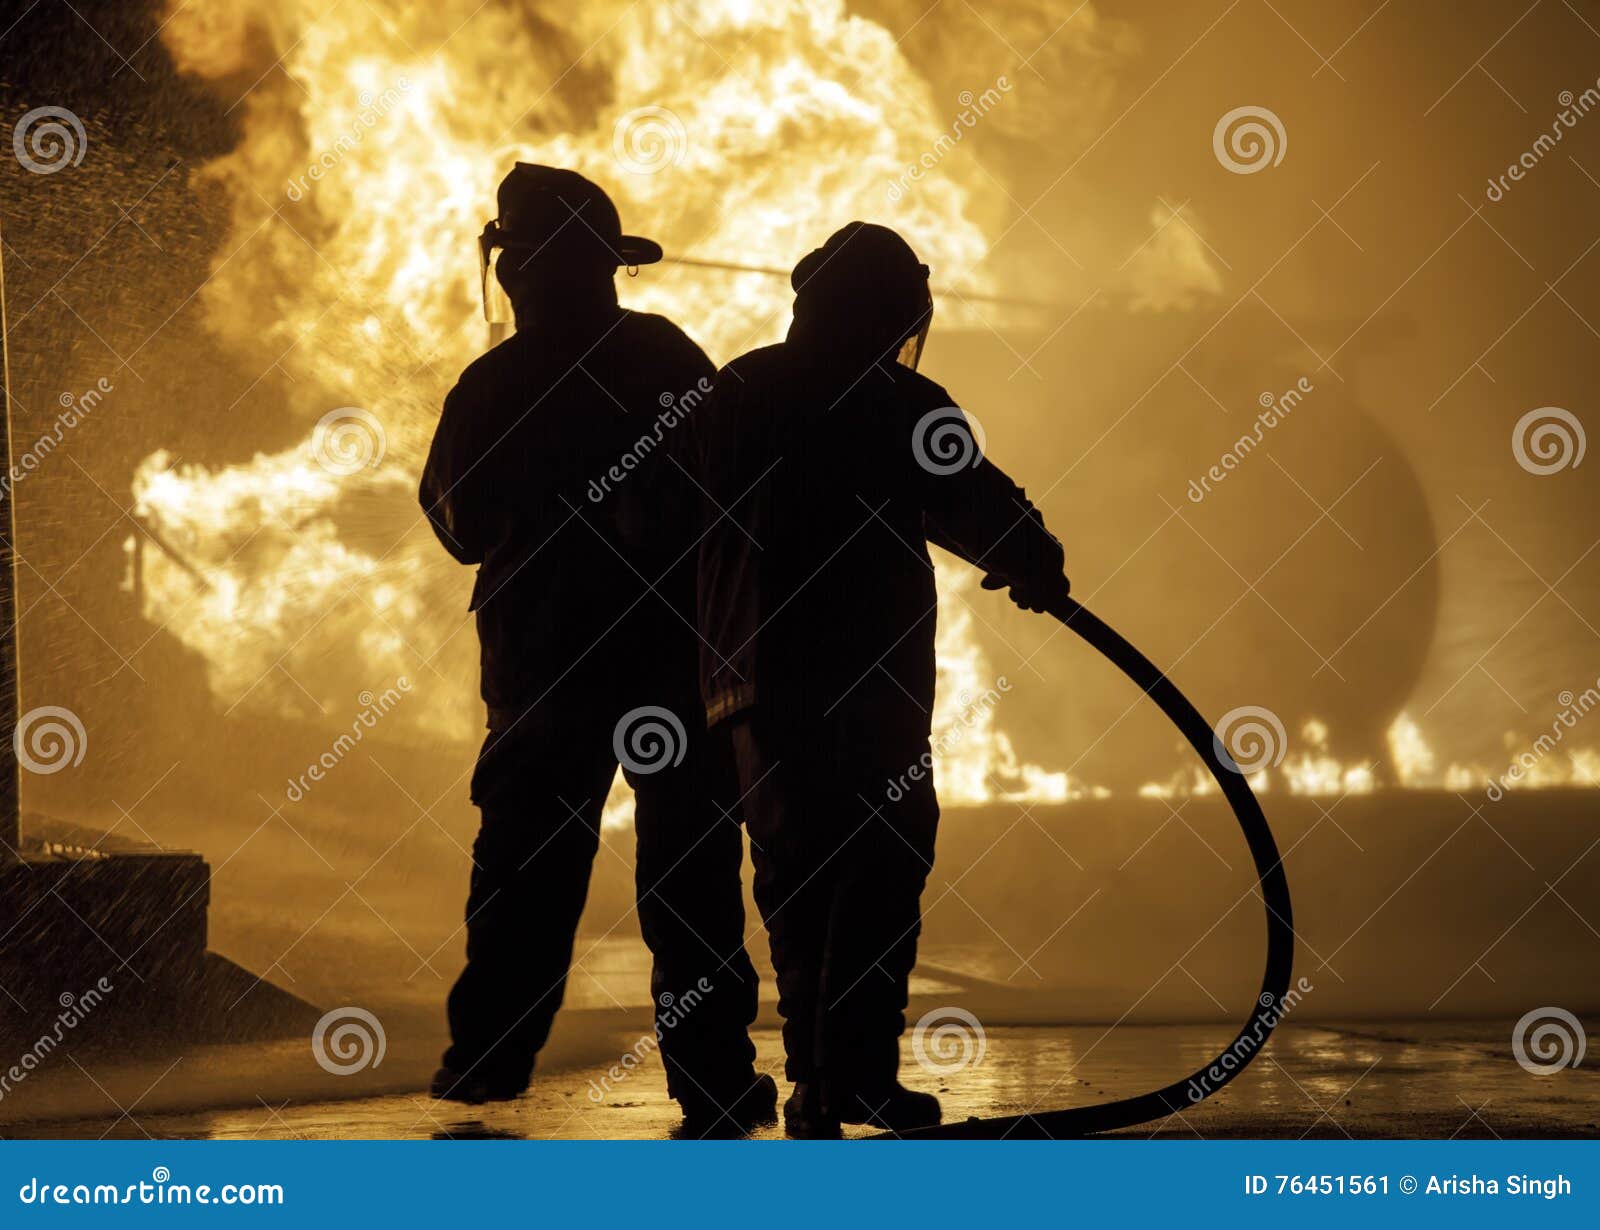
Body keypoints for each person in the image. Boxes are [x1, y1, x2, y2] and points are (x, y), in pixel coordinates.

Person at [684, 222, 1070, 1138]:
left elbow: (667, 529)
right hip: (867, 689)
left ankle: (823, 1081)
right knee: (880, 870)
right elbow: (977, 502)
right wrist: (1034, 561)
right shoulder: (898, 401)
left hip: (755, 687)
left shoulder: (735, 392)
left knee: (798, 876)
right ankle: (850, 1076)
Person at [419, 164, 774, 1136]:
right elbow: (736, 485)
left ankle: (486, 1066)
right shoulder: (666, 360)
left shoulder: (494, 384)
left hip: (543, 677)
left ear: (519, 271)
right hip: (669, 670)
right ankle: (713, 1084)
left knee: (527, 871)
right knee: (691, 877)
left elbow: (460, 525)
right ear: (605, 268)